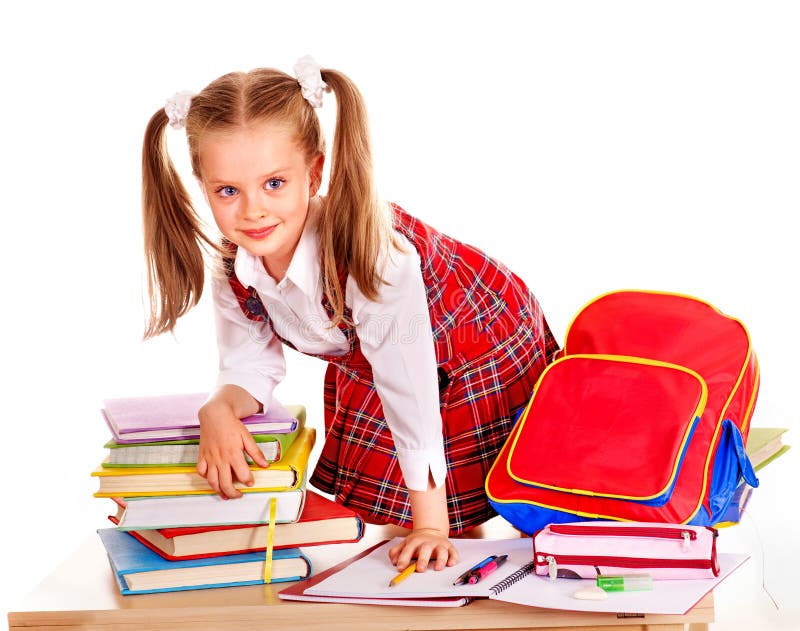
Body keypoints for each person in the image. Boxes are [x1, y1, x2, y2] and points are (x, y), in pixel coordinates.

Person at [140, 56, 559, 573]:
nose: (251, 211)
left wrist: (431, 526)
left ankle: (459, 579)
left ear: (313, 173)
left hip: (481, 337)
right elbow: (249, 367)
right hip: (374, 354)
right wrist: (220, 409)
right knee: (394, 528)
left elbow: (409, 390)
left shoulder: (370, 256)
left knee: (441, 519)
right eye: (228, 191)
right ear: (204, 187)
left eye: (274, 183)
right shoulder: (236, 265)